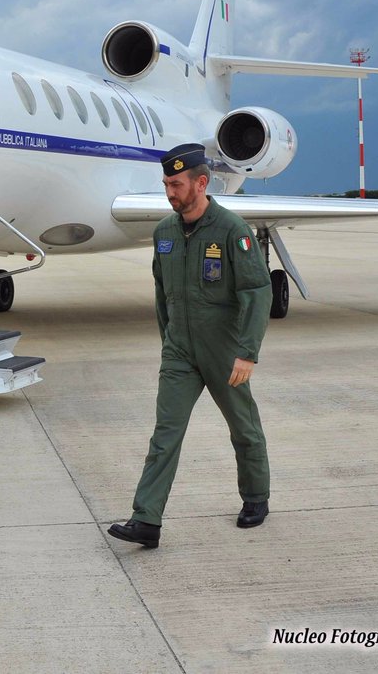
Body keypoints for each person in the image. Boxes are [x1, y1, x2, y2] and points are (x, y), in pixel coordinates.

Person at [109, 143, 272, 549]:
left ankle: (255, 497)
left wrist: (247, 352)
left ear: (201, 183)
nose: (170, 192)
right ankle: (146, 520)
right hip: (180, 352)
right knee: (165, 435)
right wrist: (170, 344)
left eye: (177, 184)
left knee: (243, 428)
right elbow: (162, 292)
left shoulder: (232, 231)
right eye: (166, 184)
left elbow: (257, 292)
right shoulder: (163, 232)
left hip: (223, 351)